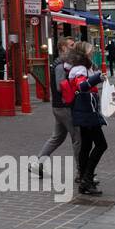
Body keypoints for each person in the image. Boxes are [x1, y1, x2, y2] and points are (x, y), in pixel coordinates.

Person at [32, 41, 81, 178]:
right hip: (64, 106)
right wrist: (76, 86)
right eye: (71, 45)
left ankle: (37, 163)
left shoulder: (62, 64)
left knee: (57, 137)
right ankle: (81, 171)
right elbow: (60, 87)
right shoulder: (60, 66)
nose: (74, 47)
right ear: (63, 47)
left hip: (59, 106)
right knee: (78, 138)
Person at [62, 59, 107, 196]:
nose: (92, 51)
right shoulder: (80, 69)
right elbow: (82, 86)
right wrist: (97, 78)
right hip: (87, 112)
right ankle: (86, 178)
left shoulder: (83, 67)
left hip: (85, 111)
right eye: (89, 50)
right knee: (101, 144)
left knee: (86, 146)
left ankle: (84, 180)